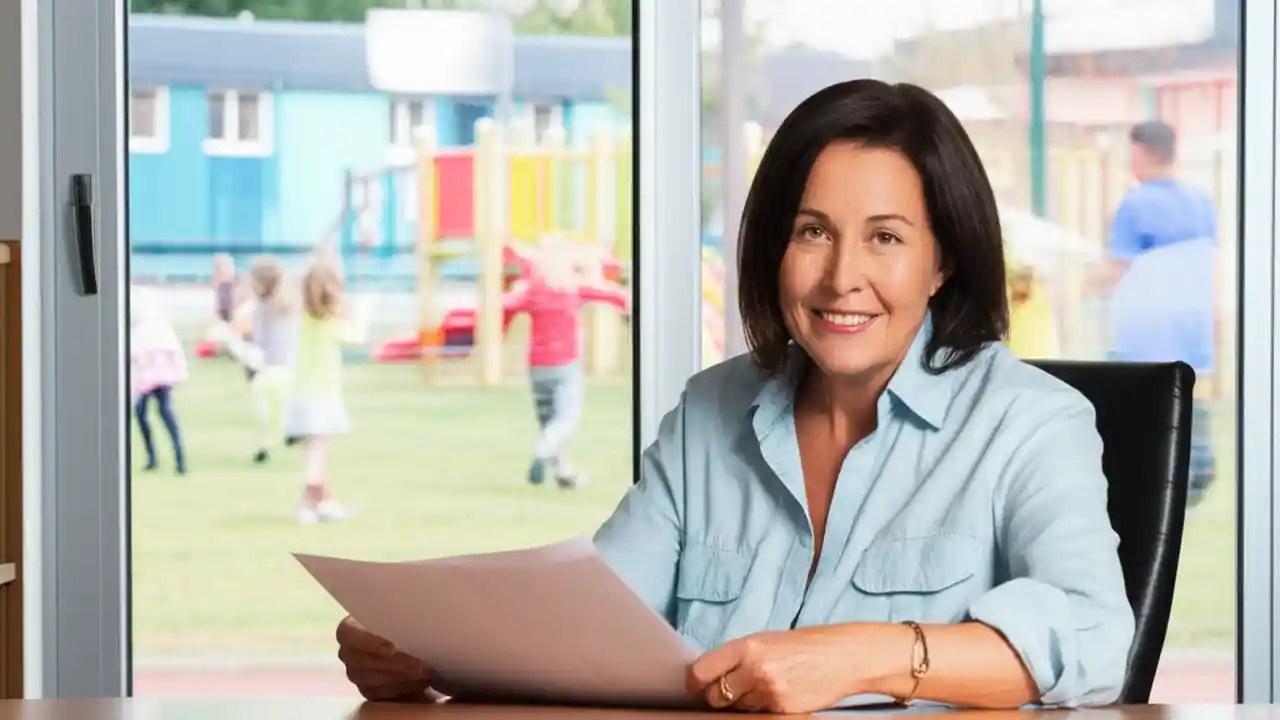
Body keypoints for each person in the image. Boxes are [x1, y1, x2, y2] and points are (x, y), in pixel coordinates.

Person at [334, 80, 1134, 712]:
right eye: (811, 231)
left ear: (943, 263)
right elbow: (593, 628)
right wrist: (424, 653)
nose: (840, 277)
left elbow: (1098, 639)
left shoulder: (1032, 422)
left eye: (885, 238)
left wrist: (870, 654)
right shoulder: (709, 414)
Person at [1106, 120, 1218, 505]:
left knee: (1142, 425)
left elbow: (1116, 271)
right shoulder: (1201, 203)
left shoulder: (1136, 204)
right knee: (1187, 410)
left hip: (1144, 335)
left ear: (1140, 152)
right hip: (1191, 332)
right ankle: (1195, 476)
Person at [502, 235, 630, 489]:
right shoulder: (573, 289)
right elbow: (611, 296)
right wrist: (628, 307)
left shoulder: (531, 292)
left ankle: (562, 473)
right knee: (565, 419)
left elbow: (508, 306)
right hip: (565, 365)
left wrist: (502, 329)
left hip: (537, 367)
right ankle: (543, 451)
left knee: (548, 420)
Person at [284, 257, 357, 524]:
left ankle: (316, 504)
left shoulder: (303, 320)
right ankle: (313, 502)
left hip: (301, 396)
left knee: (312, 452)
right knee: (316, 455)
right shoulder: (329, 324)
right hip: (322, 397)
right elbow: (355, 336)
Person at [131, 284, 189, 475]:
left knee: (156, 412)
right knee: (152, 413)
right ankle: (164, 458)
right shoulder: (152, 325)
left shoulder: (149, 325)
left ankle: (173, 459)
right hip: (153, 376)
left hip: (153, 377)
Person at [248, 257, 299, 465]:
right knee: (276, 406)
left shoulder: (266, 309)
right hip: (282, 365)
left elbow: (258, 340)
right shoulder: (283, 306)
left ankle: (269, 443)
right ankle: (280, 436)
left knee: (268, 408)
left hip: (272, 366)